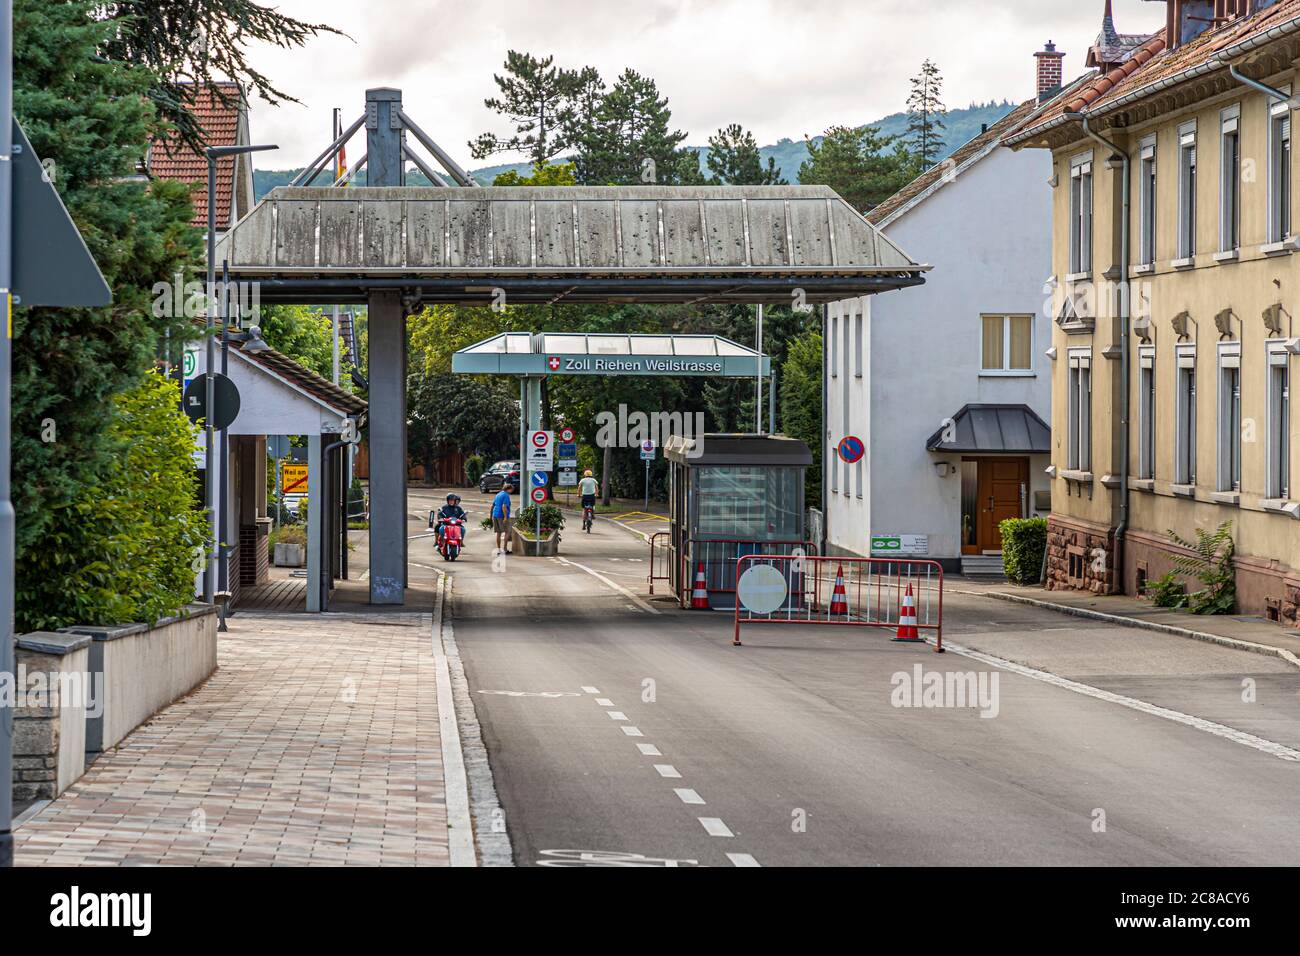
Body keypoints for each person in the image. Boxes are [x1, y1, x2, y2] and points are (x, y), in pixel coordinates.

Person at [491, 486, 513, 554]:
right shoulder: (506, 495)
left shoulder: (498, 494)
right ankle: (505, 549)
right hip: (501, 516)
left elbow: (493, 505)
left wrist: (490, 515)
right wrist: (506, 517)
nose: (512, 491)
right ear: (508, 489)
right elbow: (504, 506)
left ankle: (498, 550)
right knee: (508, 531)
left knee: (498, 533)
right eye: (511, 490)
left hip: (495, 515)